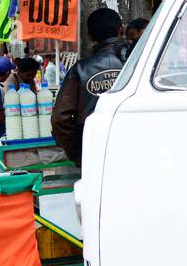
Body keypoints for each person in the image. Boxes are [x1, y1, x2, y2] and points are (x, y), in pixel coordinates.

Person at [52, 9, 129, 166]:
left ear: (90, 36)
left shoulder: (80, 69)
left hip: (96, 153)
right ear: (121, 29)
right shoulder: (139, 63)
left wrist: (78, 153)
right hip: (136, 148)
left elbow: (60, 119)